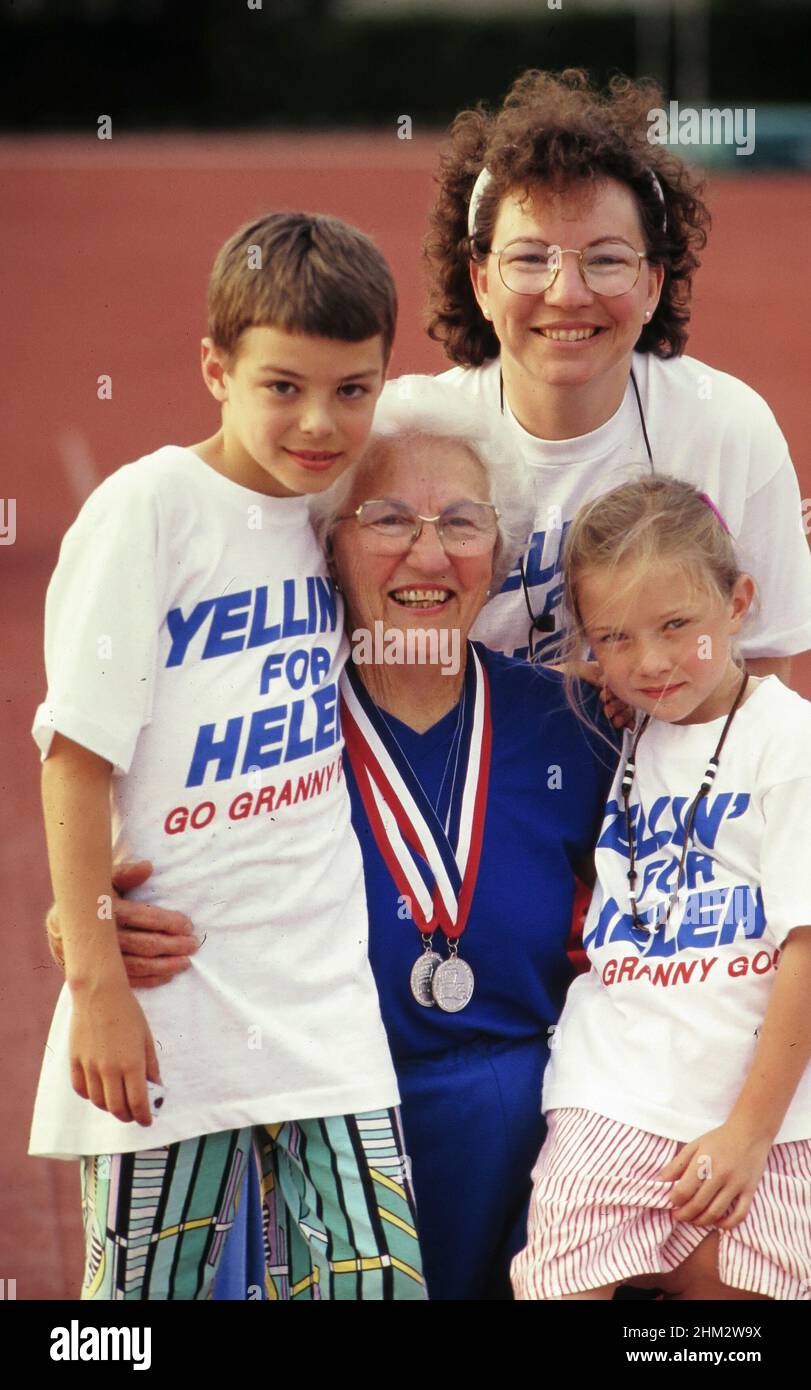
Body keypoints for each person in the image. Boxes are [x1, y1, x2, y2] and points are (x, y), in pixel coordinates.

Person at [49, 378, 622, 1299]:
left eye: (462, 523)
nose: (428, 554)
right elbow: (149, 850)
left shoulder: (572, 722)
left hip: (533, 1148)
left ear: (500, 551)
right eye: (387, 519)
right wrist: (87, 922)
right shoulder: (276, 725)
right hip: (323, 1129)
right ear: (330, 544)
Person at [28, 211, 428, 1301]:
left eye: (353, 389)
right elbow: (75, 758)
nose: (320, 421)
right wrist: (95, 979)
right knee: (138, 1308)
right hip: (171, 1000)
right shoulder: (149, 509)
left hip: (323, 1005)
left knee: (379, 1284)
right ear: (216, 369)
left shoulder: (340, 511)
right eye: (282, 386)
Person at [511, 477, 811, 1301]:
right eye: (615, 636)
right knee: (556, 1284)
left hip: (768, 1112)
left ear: (738, 603)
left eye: (676, 626)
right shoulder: (626, 717)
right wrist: (604, 671)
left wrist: (748, 1132)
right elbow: (559, 677)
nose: (649, 662)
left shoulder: (789, 743)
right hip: (614, 1092)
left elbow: (806, 949)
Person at [424, 67, 811, 676]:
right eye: (530, 258)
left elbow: (763, 667)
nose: (567, 293)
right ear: (480, 283)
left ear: (653, 285)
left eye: (606, 260)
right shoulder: (417, 443)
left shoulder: (729, 429)